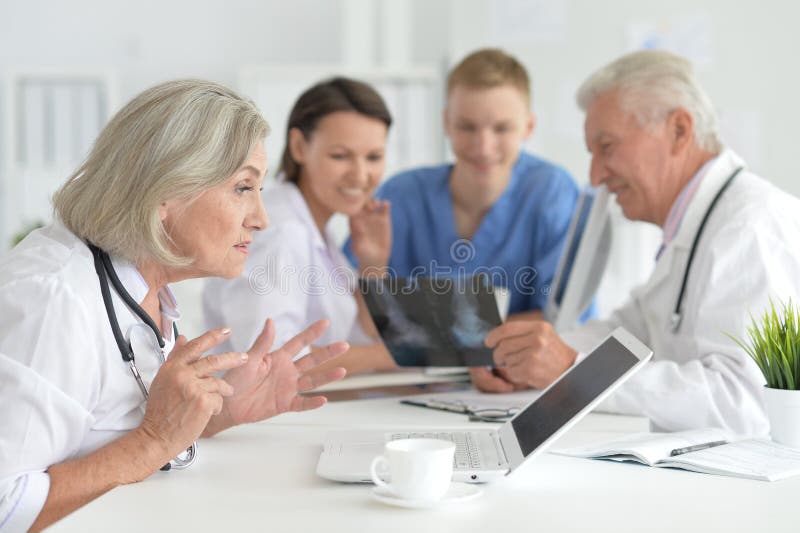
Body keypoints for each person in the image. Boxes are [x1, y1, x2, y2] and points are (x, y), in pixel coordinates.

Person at [0, 79, 348, 532]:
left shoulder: (146, 283)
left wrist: (215, 414)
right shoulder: (55, 300)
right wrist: (154, 440)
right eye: (243, 187)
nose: (261, 218)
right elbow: (6, 505)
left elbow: (105, 426)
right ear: (166, 192)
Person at [476, 50, 800, 435]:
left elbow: (746, 401)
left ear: (679, 130)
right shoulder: (694, 226)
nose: (595, 176)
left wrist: (571, 370)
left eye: (607, 147)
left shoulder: (750, 226)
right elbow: (630, 333)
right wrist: (524, 357)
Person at [346, 48, 581, 366]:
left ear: (528, 126)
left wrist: (433, 344)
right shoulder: (402, 196)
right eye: (467, 127)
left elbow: (559, 320)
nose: (483, 147)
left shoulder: (551, 192)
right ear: (446, 122)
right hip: (407, 387)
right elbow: (362, 313)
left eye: (501, 129)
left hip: (516, 381)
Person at [203, 77, 396, 377]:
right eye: (340, 156)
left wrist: (373, 265)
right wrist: (400, 353)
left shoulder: (318, 227)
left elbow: (360, 339)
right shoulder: (280, 229)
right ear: (298, 147)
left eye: (373, 157)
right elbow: (270, 360)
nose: (361, 175)